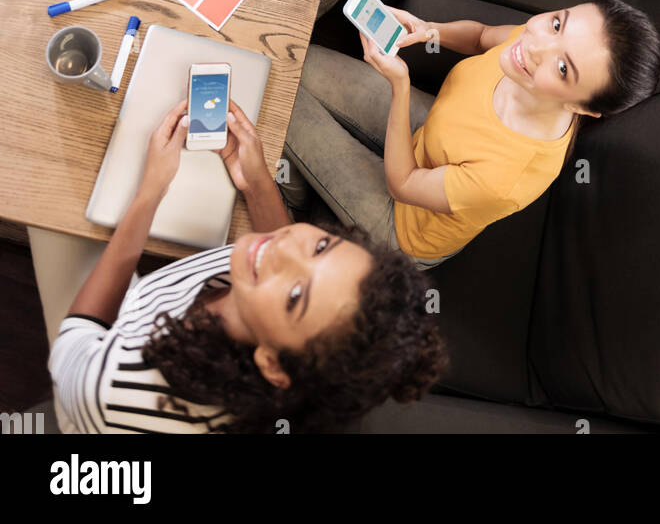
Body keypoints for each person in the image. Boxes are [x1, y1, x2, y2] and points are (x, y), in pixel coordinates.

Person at [49, 100, 445, 434]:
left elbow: (80, 332)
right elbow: (284, 239)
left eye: (295, 297)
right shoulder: (265, 273)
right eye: (322, 246)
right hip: (145, 300)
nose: (282, 249)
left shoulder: (115, 390)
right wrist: (255, 181)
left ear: (272, 363)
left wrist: (150, 192)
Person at [280, 0, 660, 268]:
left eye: (563, 68)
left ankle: (292, 189)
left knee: (279, 98)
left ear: (582, 108)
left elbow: (404, 183)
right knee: (298, 59)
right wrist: (427, 29)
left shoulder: (504, 179)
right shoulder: (530, 45)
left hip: (404, 219)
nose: (535, 46)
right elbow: (481, 36)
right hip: (431, 131)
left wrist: (399, 86)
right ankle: (295, 172)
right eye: (558, 23)